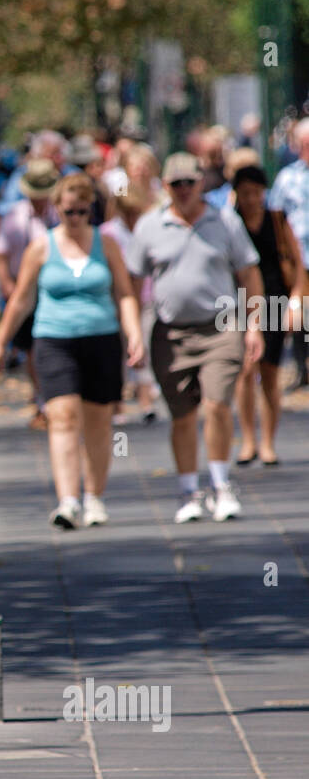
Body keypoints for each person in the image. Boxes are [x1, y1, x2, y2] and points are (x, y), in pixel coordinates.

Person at [0, 172, 143, 528]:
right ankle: (68, 500)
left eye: (83, 212)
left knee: (99, 421)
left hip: (101, 338)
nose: (75, 219)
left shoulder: (108, 245)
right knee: (62, 416)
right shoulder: (42, 246)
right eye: (69, 211)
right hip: (54, 340)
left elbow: (125, 293)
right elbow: (22, 298)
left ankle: (95, 498)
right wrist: (1, 343)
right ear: (57, 208)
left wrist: (134, 334)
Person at [125, 153, 264, 524]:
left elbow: (249, 275)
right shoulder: (150, 226)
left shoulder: (225, 222)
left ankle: (221, 485)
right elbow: (132, 284)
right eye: (176, 184)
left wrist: (254, 326)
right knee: (182, 415)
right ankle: (189, 491)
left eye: (190, 182)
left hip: (221, 326)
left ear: (201, 182)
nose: (184, 190)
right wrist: (134, 332)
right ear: (165, 187)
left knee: (218, 404)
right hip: (170, 333)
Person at [233, 164, 304, 466]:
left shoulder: (277, 220)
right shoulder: (230, 222)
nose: (251, 199)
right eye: (244, 192)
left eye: (256, 192)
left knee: (270, 372)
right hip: (237, 302)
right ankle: (248, 439)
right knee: (245, 372)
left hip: (275, 299)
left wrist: (297, 304)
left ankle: (268, 442)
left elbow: (299, 265)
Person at [0, 157, 60, 429]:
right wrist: (9, 289)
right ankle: (41, 400)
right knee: (32, 350)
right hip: (24, 288)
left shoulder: (60, 215)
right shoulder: (14, 217)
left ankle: (52, 399)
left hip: (54, 288)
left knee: (50, 346)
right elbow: (0, 257)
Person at [101, 185, 158, 422]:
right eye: (129, 213)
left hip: (145, 298)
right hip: (118, 300)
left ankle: (145, 401)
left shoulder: (148, 229)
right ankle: (118, 404)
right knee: (117, 351)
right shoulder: (108, 233)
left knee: (142, 346)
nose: (133, 218)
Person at [267, 117, 309, 389]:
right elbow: (276, 216)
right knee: (299, 315)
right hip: (299, 258)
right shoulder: (287, 177)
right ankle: (301, 367)